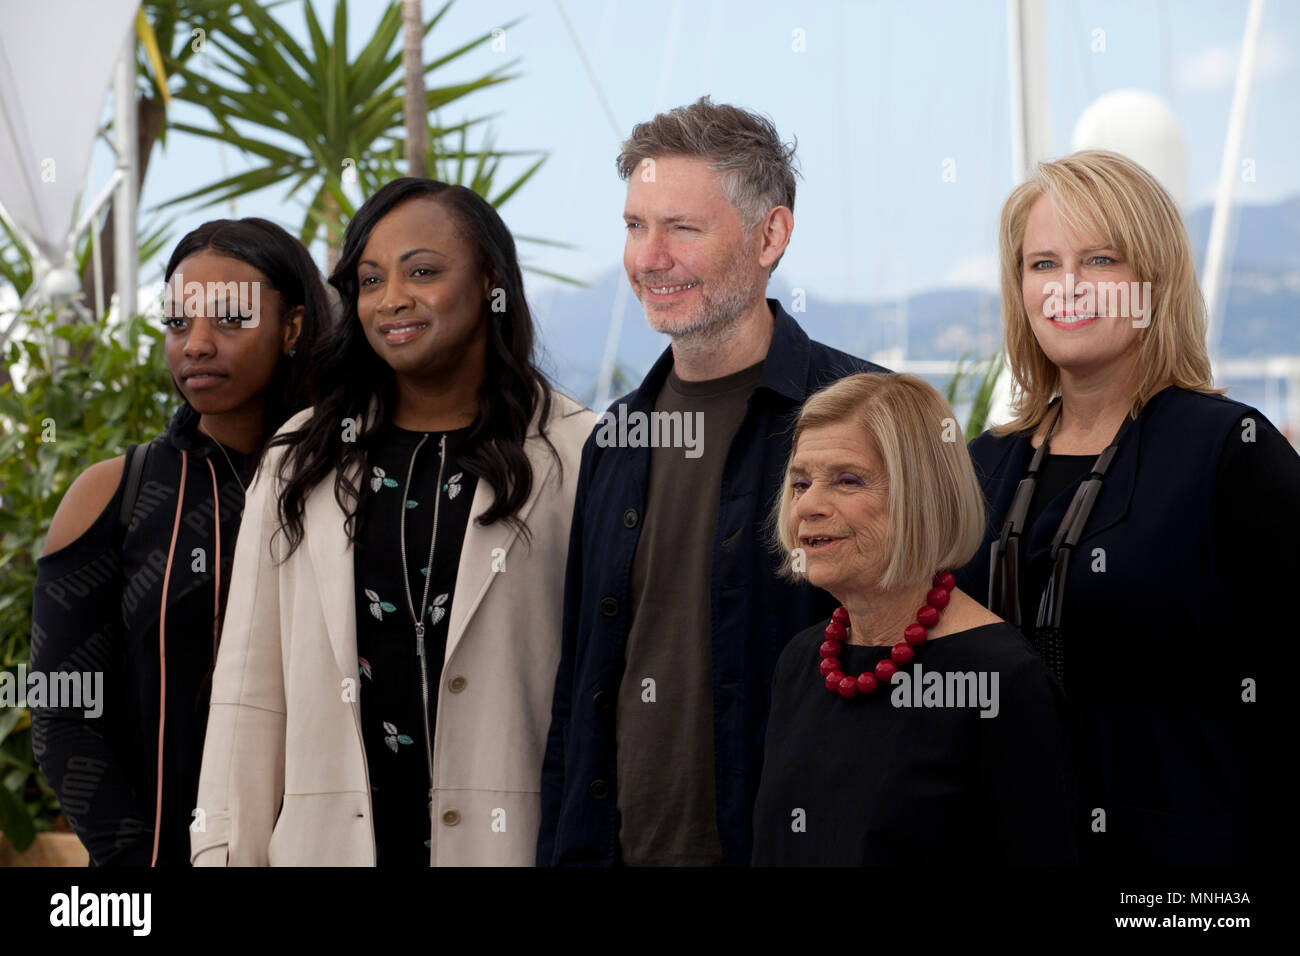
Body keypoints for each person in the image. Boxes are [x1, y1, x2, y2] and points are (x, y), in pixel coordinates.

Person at [191, 178, 595, 866]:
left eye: (424, 272)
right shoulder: (303, 457)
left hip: (517, 845)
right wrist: (224, 848)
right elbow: (248, 690)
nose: (393, 300)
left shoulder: (575, 453)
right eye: (371, 280)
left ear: (491, 281)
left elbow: (600, 690)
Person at [537, 96, 884, 867]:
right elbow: (581, 685)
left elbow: (932, 663)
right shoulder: (615, 438)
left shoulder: (873, 419)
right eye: (635, 226)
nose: (647, 258)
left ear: (772, 235)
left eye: (681, 229)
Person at [954, 149, 1300, 866]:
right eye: (1042, 264)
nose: (1067, 288)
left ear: (1153, 280)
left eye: (1100, 261)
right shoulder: (984, 464)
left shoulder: (1228, 451)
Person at [30, 218, 325, 865]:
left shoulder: (345, 489)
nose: (195, 345)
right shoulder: (111, 496)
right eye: (176, 323)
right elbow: (63, 714)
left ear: (294, 326)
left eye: (228, 320)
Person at [752, 373, 1076, 865]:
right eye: (800, 482)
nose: (809, 506)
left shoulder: (1001, 678)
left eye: (847, 480)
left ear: (922, 495)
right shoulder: (803, 660)